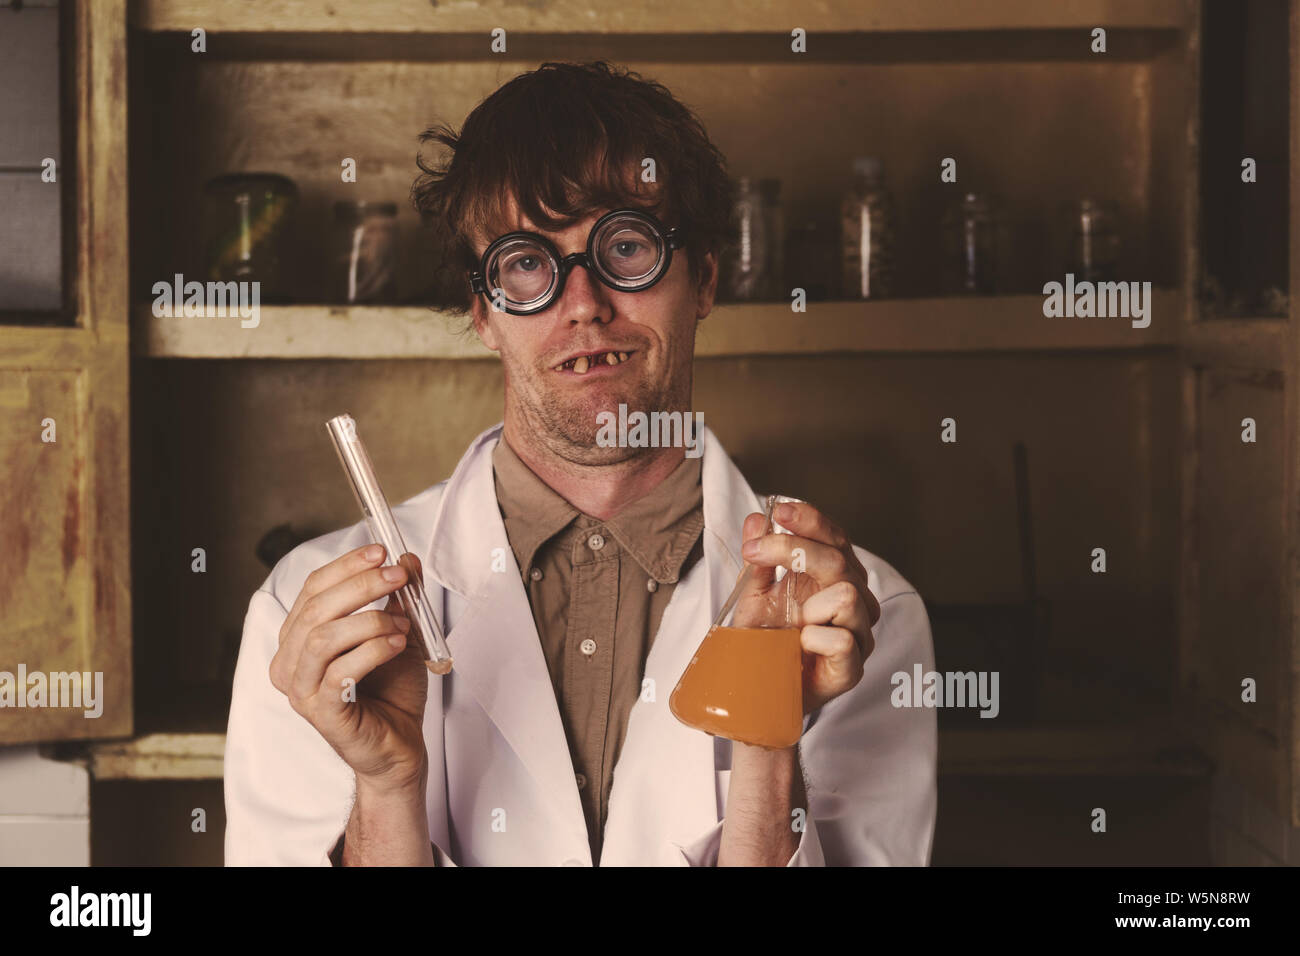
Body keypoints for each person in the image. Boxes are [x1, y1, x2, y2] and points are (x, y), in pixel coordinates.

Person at [224, 60, 936, 866]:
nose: (585, 302)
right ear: (482, 312)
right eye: (527, 264)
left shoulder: (854, 617)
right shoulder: (313, 624)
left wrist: (770, 747)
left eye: (624, 246)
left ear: (702, 278)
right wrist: (387, 790)